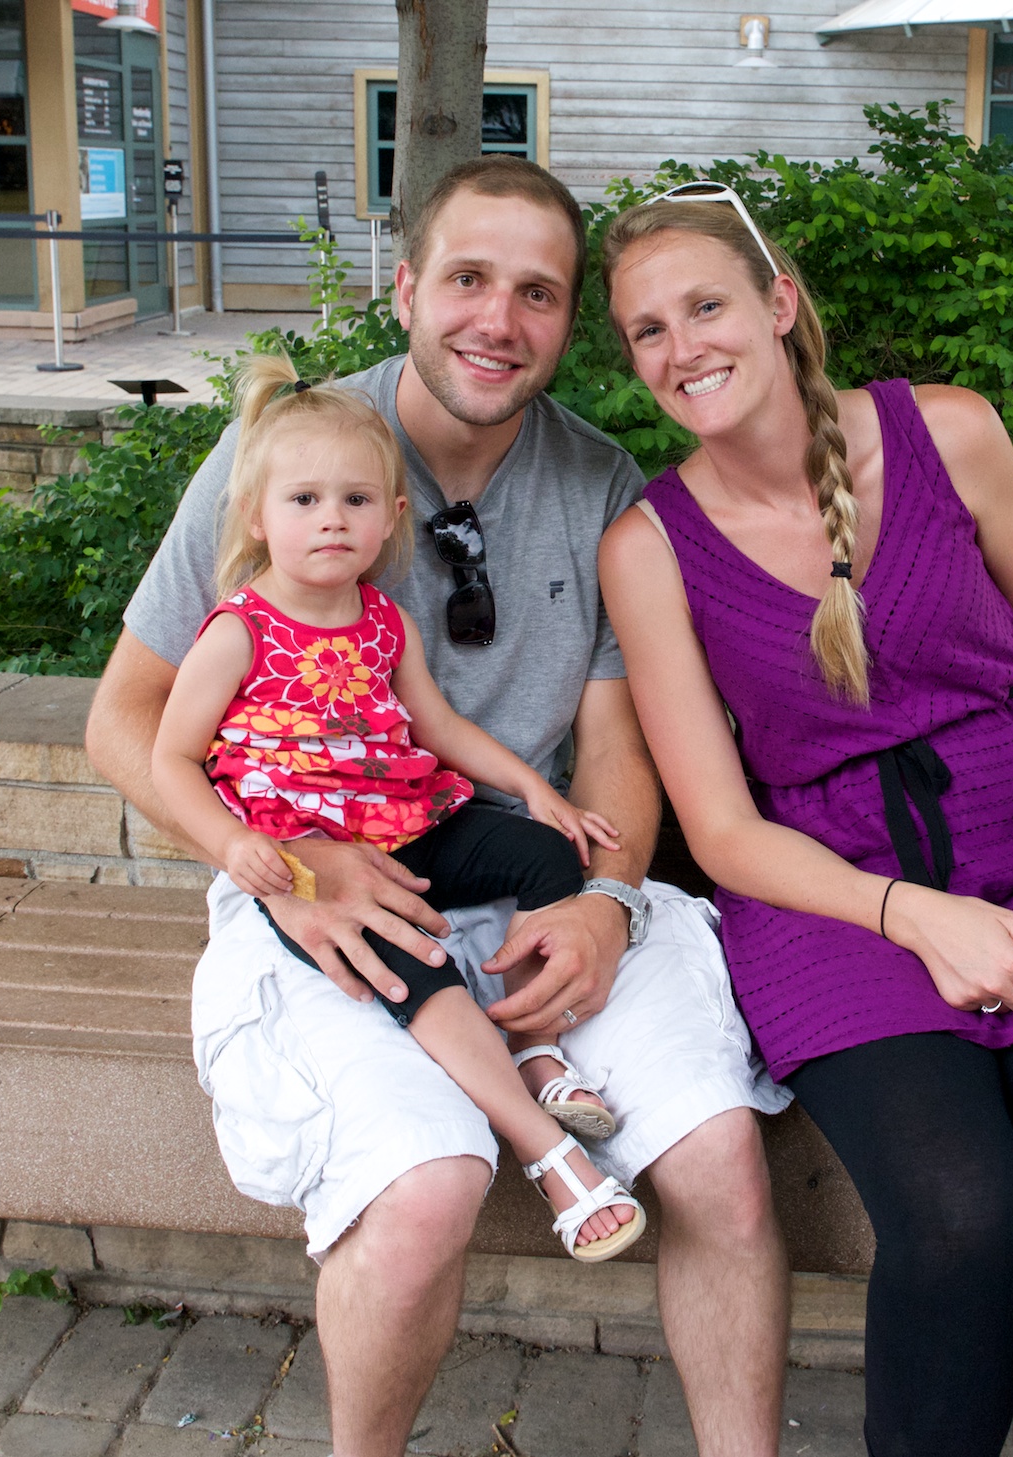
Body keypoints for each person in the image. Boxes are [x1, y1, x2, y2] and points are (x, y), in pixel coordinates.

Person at [86, 158, 792, 1457]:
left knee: (722, 1170)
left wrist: (610, 904)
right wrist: (288, 865)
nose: (496, 320)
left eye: (537, 293)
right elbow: (124, 723)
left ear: (568, 323)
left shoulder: (603, 486)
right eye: (467, 278)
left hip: (536, 879)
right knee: (423, 1191)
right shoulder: (289, 457)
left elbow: (614, 743)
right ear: (406, 286)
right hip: (328, 886)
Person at [597, 185, 1013, 1457]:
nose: (680, 348)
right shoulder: (650, 545)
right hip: (829, 892)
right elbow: (718, 830)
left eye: (704, 305)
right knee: (957, 1211)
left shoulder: (949, 432)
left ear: (778, 303)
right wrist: (914, 914)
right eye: (646, 329)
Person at [149, 350, 643, 1262]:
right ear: (257, 516)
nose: (331, 519)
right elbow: (171, 757)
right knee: (408, 955)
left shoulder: (384, 620)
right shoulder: (239, 629)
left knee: (547, 860)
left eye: (355, 500)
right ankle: (552, 1155)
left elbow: (438, 723)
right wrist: (236, 845)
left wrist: (537, 788)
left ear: (392, 517)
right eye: (303, 501)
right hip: (313, 854)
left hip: (411, 818)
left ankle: (535, 1044)